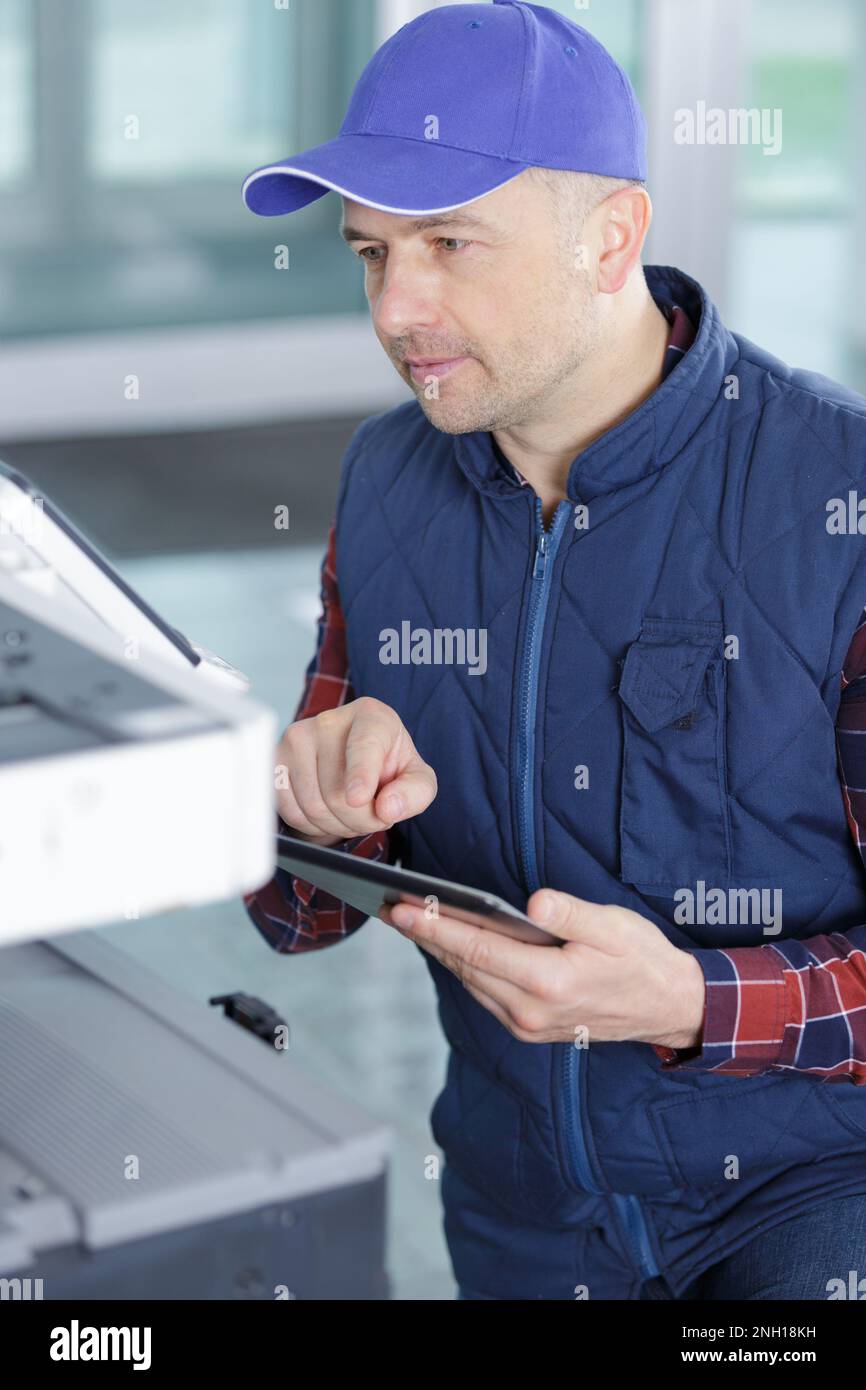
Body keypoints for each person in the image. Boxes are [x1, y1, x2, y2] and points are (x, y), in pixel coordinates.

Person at [240, 1, 866, 1300]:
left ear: (610, 238)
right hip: (519, 1212)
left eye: (449, 244)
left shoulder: (834, 496)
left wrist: (691, 1000)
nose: (397, 307)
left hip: (809, 1213)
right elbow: (291, 910)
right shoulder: (382, 481)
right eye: (368, 253)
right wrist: (312, 799)